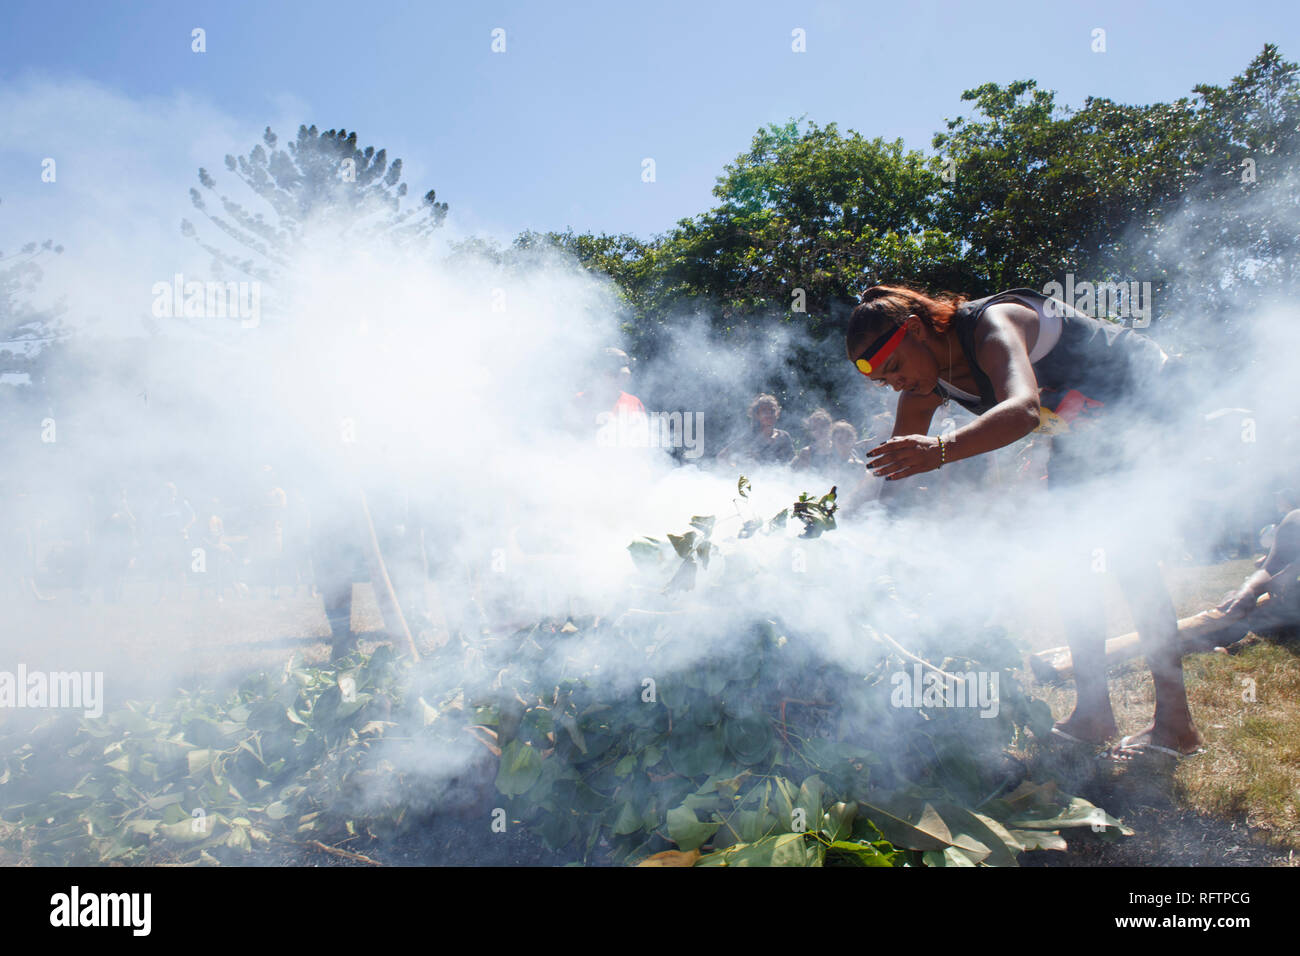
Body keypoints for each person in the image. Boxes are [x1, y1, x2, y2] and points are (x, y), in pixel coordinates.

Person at [848, 283, 1201, 757]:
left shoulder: (993, 325)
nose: (895, 385)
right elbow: (889, 474)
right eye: (883, 382)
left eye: (894, 369)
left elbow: (1024, 410)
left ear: (915, 330)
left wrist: (941, 450)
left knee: (1129, 559)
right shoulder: (924, 383)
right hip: (1084, 429)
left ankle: (1176, 727)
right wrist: (837, 523)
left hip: (1144, 400)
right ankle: (1094, 716)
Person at [718, 394, 795, 468]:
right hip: (756, 480)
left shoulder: (784, 436)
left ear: (777, 414)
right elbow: (722, 457)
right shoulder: (749, 438)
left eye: (772, 411)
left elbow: (793, 464)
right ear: (757, 415)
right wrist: (736, 471)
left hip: (780, 479)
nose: (769, 414)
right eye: (764, 411)